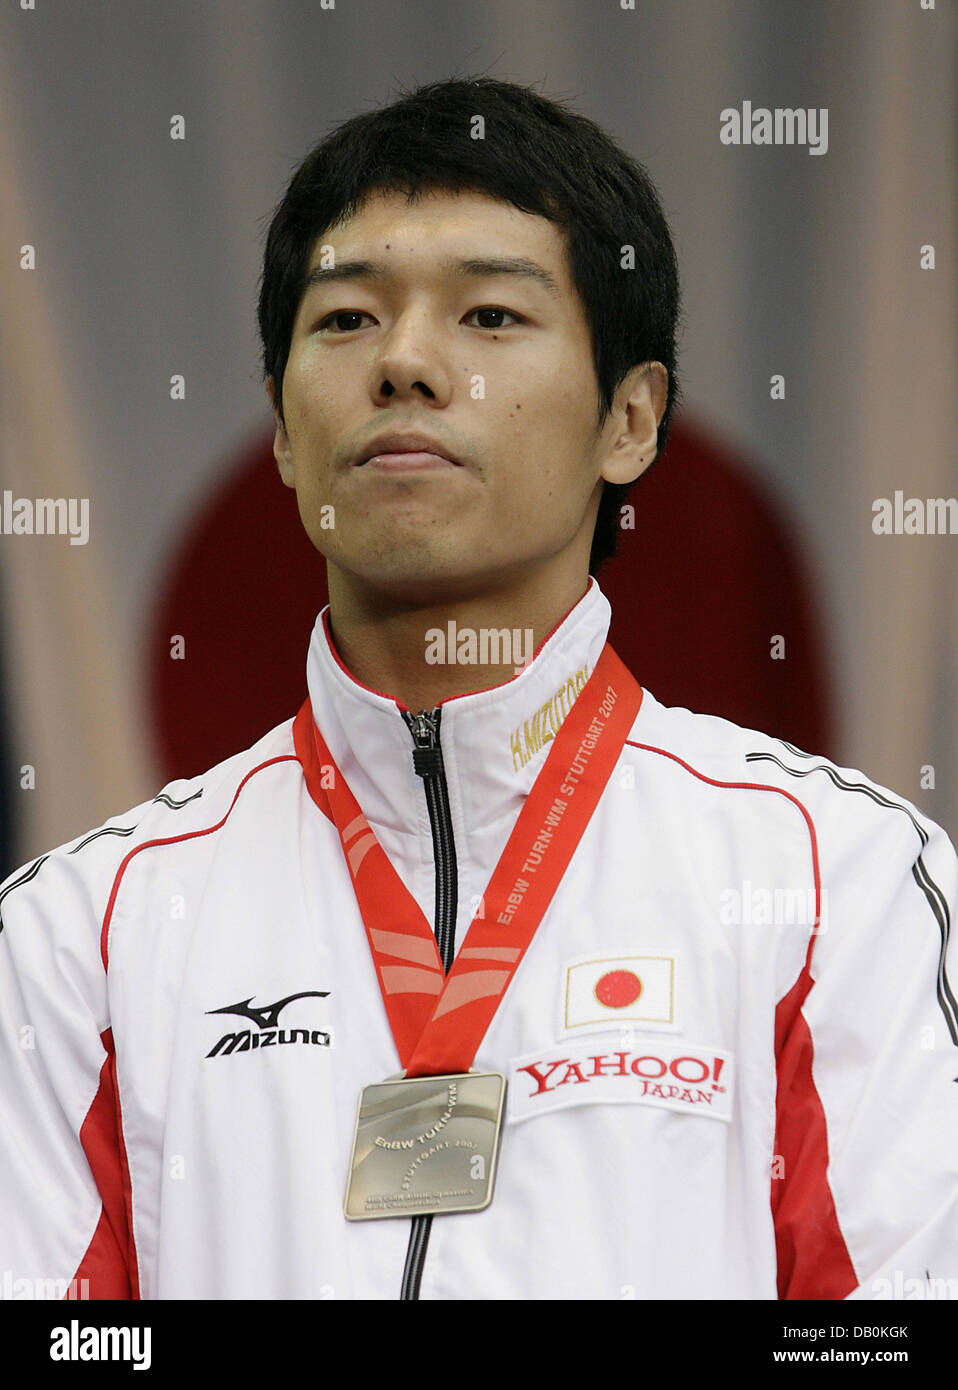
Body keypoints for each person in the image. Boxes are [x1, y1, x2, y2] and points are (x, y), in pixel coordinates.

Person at [1, 75, 956, 1303]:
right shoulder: (83, 930)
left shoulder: (839, 882)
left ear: (629, 419)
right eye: (345, 318)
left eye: (491, 316)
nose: (404, 361)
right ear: (285, 438)